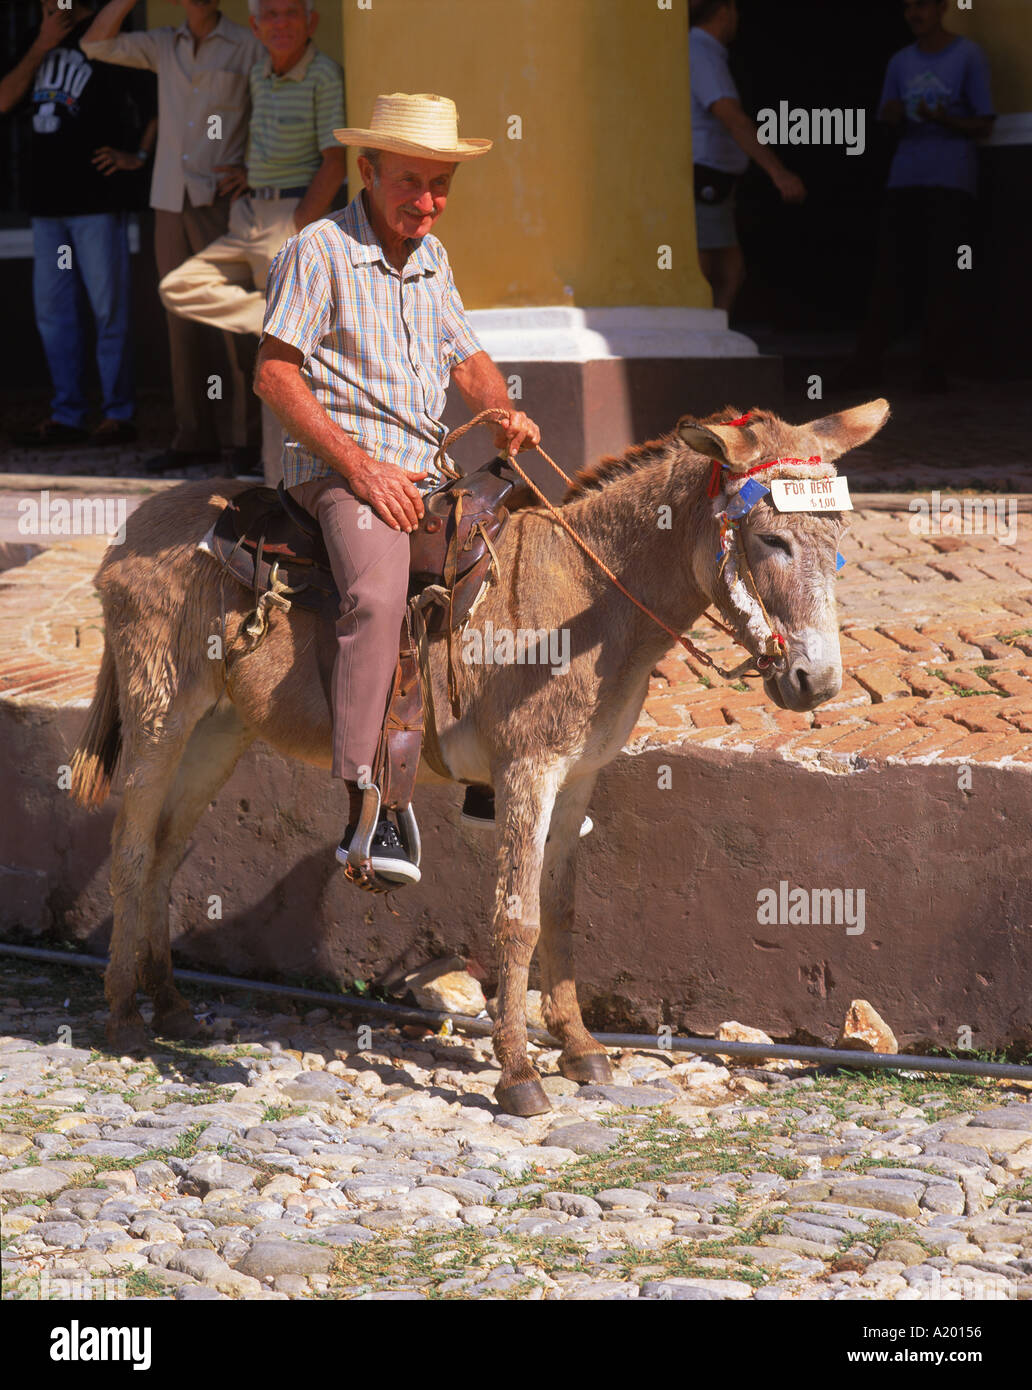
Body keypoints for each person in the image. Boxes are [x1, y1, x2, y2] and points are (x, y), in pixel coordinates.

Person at [256, 93, 541, 886]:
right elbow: (274, 375)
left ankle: (487, 767)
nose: (426, 201)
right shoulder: (319, 251)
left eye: (441, 183)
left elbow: (466, 354)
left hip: (427, 469)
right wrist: (359, 467)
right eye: (410, 181)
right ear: (368, 171)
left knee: (513, 569)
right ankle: (367, 801)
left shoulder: (432, 257)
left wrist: (502, 413)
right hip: (341, 472)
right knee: (378, 599)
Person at [158, 0, 347, 484]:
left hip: (288, 216)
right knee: (178, 286)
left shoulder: (323, 74)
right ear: (257, 28)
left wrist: (303, 224)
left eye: (291, 14)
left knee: (276, 364)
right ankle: (279, 325)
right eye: (271, 16)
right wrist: (248, 173)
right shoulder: (261, 71)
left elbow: (335, 159)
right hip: (248, 214)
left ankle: (274, 467)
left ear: (312, 23)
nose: (281, 24)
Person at [82, 0, 265, 472]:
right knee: (179, 319)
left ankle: (248, 441)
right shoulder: (164, 44)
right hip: (168, 198)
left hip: (221, 203)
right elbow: (94, 42)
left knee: (234, 321)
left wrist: (251, 167)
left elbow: (265, 107)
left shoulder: (247, 44)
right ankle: (194, 437)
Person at [1, 0, 153, 449]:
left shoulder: (105, 38)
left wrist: (138, 158)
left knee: (108, 311)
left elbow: (157, 102)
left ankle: (118, 416)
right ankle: (67, 415)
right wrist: (42, 45)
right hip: (47, 209)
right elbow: (5, 99)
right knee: (55, 317)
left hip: (97, 204)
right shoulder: (37, 35)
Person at [844, 0, 994, 392]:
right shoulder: (900, 62)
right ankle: (867, 365)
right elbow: (886, 119)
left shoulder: (967, 55)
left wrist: (941, 117)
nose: (914, 13)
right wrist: (892, 116)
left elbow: (984, 123)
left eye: (923, 5)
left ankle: (934, 371)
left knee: (945, 274)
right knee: (890, 272)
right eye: (908, 6)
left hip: (952, 180)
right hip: (905, 177)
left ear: (943, 7)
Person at [689, 0, 805, 313]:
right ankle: (709, 342)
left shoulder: (703, 51)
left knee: (725, 269)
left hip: (715, 180)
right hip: (706, 178)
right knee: (715, 271)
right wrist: (778, 172)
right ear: (726, 10)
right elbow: (732, 117)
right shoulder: (701, 51)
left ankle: (712, 339)